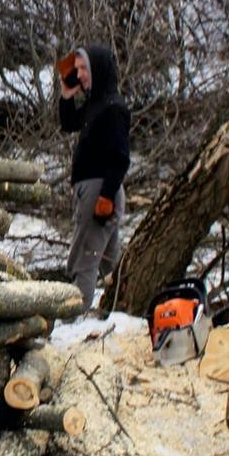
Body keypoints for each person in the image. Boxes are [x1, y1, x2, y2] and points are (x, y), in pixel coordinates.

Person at [57, 45, 130, 306]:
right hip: (93, 190)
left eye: (84, 68)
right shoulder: (95, 104)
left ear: (98, 69)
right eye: (77, 69)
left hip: (100, 191)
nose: (80, 74)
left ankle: (77, 315)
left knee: (84, 260)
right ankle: (122, 307)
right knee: (110, 263)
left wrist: (106, 196)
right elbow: (68, 124)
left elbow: (121, 157)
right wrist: (67, 95)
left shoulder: (113, 108)